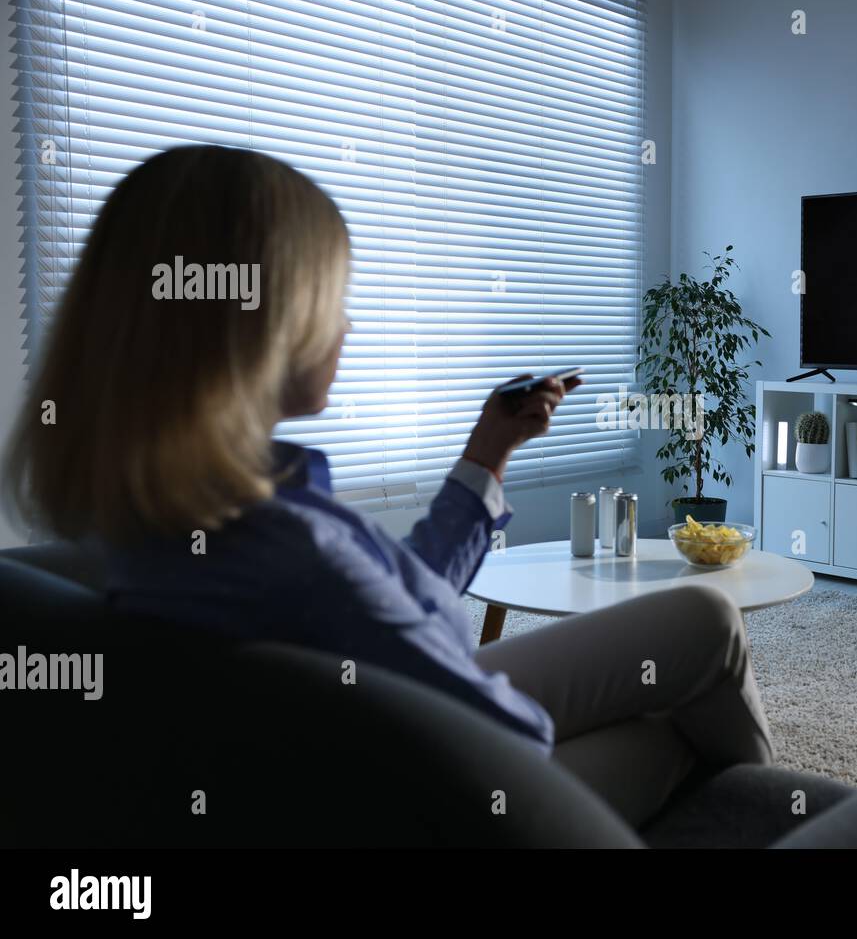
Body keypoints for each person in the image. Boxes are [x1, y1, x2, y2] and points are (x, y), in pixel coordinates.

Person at [2, 144, 772, 829]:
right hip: (456, 791)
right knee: (675, 735)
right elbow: (502, 742)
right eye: (332, 297)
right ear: (259, 323)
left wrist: (489, 451)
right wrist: (625, 719)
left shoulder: (165, 517)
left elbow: (392, 597)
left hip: (391, 725)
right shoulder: (298, 552)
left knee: (702, 618)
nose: (347, 325)